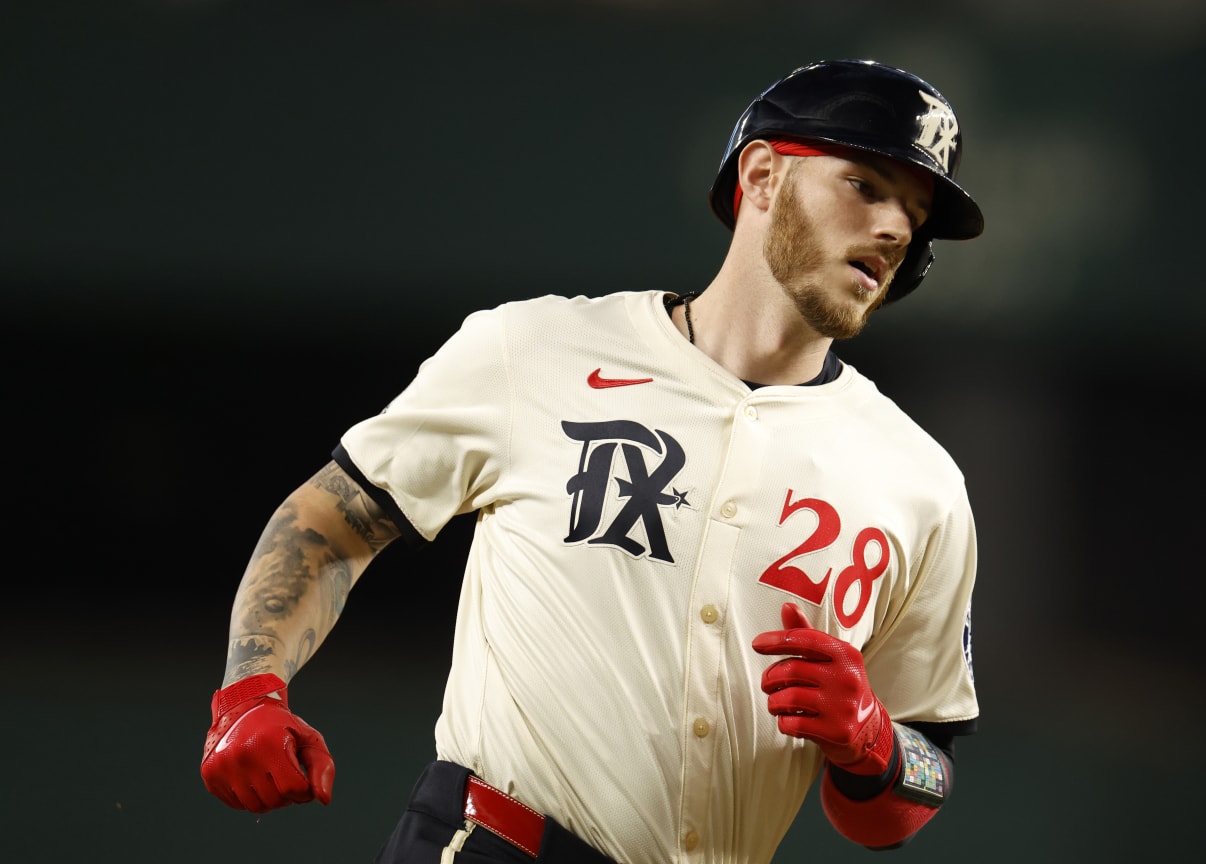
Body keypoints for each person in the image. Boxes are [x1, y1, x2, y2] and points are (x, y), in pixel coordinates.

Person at [200, 58, 985, 863]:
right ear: (761, 174)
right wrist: (249, 693)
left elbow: (919, 781)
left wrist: (877, 749)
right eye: (866, 185)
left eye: (915, 212)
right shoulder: (537, 350)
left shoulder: (918, 484)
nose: (895, 228)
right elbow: (331, 519)